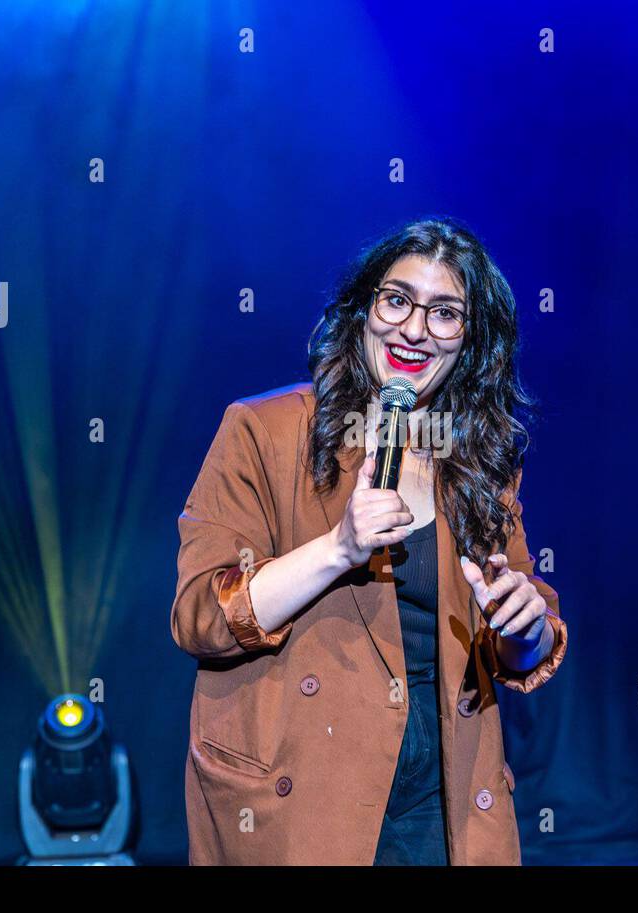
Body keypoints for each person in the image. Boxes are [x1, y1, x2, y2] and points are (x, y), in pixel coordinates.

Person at [170, 217, 567, 865]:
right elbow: (201, 619)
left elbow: (519, 636)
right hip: (300, 778)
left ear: (471, 342)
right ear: (362, 310)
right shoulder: (265, 431)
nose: (414, 328)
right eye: (397, 299)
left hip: (441, 777)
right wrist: (338, 548)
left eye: (445, 314)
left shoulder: (478, 461)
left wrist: (527, 630)